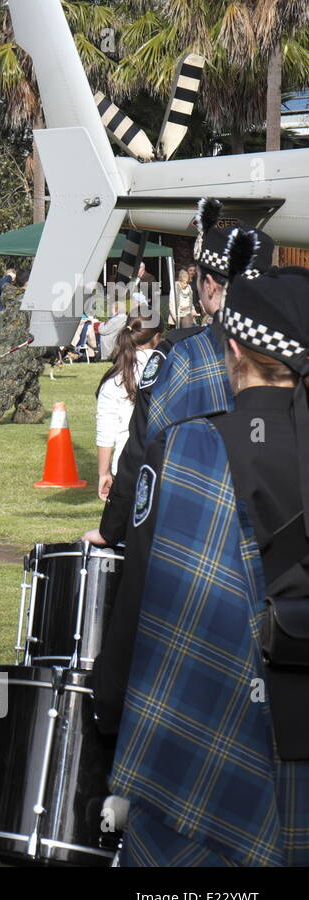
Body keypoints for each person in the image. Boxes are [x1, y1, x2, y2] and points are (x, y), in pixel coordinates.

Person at [92, 261, 309, 866]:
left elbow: (143, 595)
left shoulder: (186, 447)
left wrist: (110, 708)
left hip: (205, 729)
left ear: (233, 348)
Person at [89, 202, 276, 549]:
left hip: (195, 534)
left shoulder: (180, 354)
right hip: (282, 541)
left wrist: (111, 528)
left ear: (208, 284)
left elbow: (144, 446)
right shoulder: (290, 350)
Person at [93, 316, 160, 501]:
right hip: (162, 466)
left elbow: (105, 432)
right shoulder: (169, 371)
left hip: (125, 467)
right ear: (158, 338)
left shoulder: (114, 380)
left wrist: (103, 473)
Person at [0, 269, 45, 423]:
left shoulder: (9, 294)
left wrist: (8, 276)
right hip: (22, 349)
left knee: (29, 385)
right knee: (8, 386)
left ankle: (29, 414)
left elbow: (2, 284)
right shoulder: (32, 299)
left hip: (11, 348)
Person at [169, 265, 199, 329]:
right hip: (177, 318)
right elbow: (172, 305)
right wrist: (177, 319)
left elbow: (190, 302)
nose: (186, 284)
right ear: (180, 280)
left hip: (188, 317)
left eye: (187, 282)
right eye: (184, 282)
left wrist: (193, 310)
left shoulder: (189, 287)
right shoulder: (175, 287)